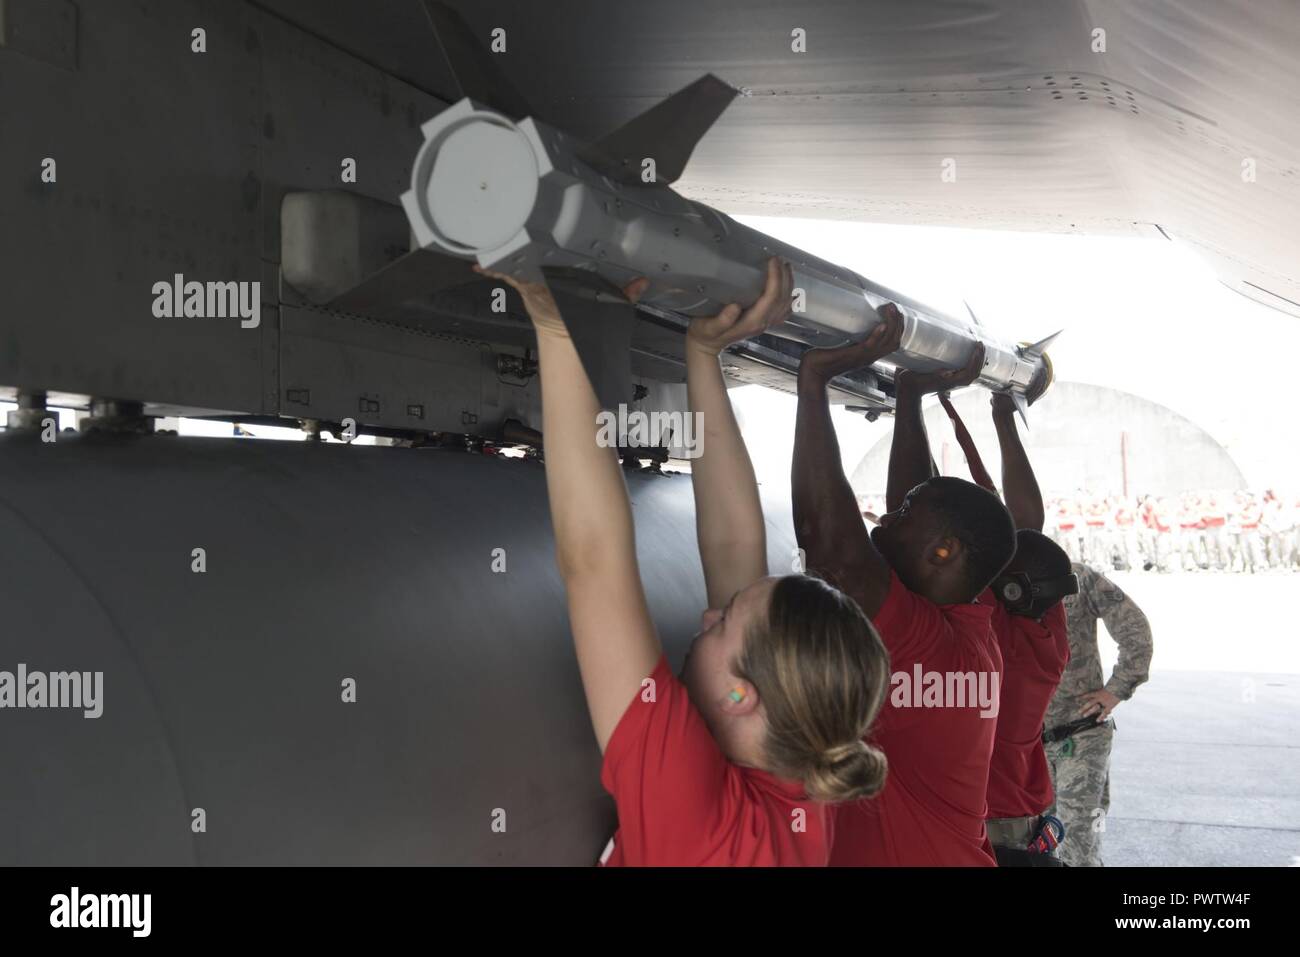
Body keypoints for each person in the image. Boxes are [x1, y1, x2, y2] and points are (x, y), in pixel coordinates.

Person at [479, 258, 890, 866]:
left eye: (722, 625)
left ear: (740, 697)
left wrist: (554, 320)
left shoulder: (701, 820)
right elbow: (733, 550)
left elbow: (596, 561)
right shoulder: (799, 762)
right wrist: (703, 356)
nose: (704, 615)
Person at [792, 306, 1016, 866]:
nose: (883, 520)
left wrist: (814, 381)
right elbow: (919, 500)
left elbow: (829, 544)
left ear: (943, 552)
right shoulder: (966, 614)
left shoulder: (929, 645)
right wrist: (909, 399)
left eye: (900, 516)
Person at [941, 392, 1075, 865]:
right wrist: (1003, 420)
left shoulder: (1001, 632)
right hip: (1019, 812)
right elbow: (1026, 527)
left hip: (994, 819)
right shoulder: (1045, 622)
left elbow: (1020, 527)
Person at [1042, 564, 1153, 866]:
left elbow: (1135, 630)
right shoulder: (995, 581)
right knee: (1031, 844)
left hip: (1080, 735)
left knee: (1077, 843)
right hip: (1026, 744)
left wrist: (1115, 690)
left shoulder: (1074, 576)